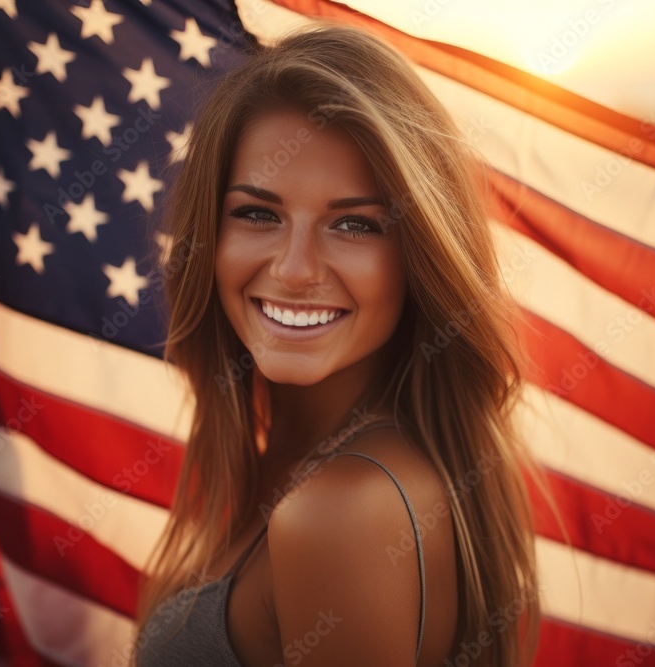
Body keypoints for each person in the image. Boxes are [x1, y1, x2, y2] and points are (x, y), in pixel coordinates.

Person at [131, 20, 543, 667]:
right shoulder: (314, 464)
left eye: (354, 224)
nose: (295, 269)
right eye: (258, 213)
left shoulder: (338, 512)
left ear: (420, 256)